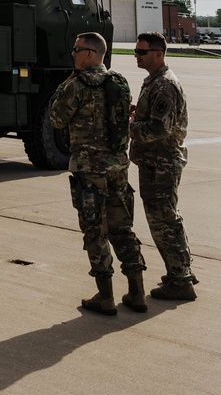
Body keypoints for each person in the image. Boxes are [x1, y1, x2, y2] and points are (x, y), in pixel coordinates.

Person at [48, 33, 146, 316]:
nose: (73, 54)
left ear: (90, 54)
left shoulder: (77, 85)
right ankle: (137, 292)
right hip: (117, 168)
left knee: (95, 232)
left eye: (76, 49)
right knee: (122, 228)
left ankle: (105, 296)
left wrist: (64, 84)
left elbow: (57, 118)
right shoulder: (119, 81)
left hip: (89, 170)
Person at [130, 33, 197, 302]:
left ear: (158, 54)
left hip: (161, 164)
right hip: (157, 162)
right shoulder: (156, 81)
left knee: (164, 222)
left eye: (142, 52)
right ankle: (180, 272)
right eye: (136, 51)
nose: (137, 56)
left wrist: (130, 126)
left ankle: (180, 280)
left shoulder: (164, 85)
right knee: (167, 218)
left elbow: (159, 129)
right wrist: (137, 113)